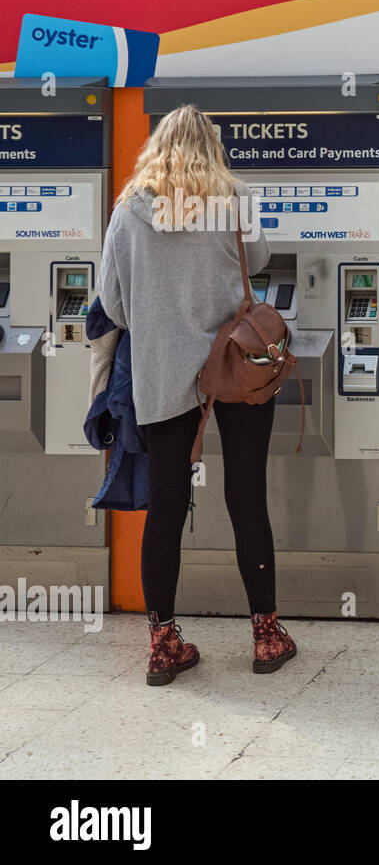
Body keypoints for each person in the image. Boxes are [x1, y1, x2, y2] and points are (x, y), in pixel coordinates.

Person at [98, 104, 297, 686]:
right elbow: (258, 261)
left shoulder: (131, 209)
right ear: (211, 147)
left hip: (163, 378)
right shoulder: (231, 197)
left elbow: (111, 302)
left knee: (164, 506)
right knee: (246, 499)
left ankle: (163, 645)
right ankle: (265, 634)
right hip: (235, 371)